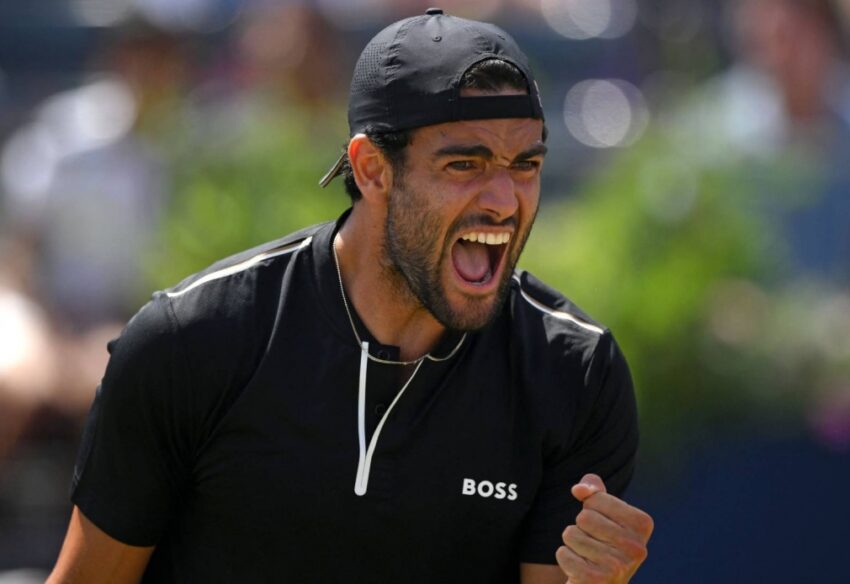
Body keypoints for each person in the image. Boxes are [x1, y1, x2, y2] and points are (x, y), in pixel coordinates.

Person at [48, 9, 653, 583]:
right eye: (465, 164)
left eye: (525, 164)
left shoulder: (577, 374)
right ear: (371, 170)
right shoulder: (189, 341)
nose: (503, 198)